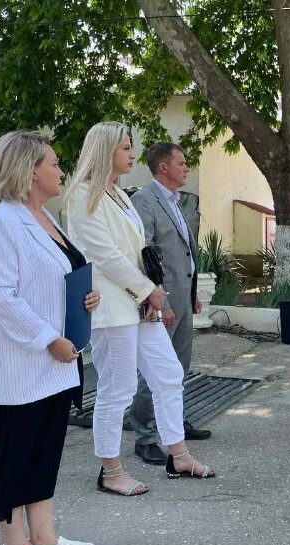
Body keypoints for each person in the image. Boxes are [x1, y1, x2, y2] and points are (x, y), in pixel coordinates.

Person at [0, 131, 100, 545]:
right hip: (20, 366)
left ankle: (44, 537)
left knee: (44, 451)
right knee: (14, 455)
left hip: (55, 366)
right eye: (54, 162)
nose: (60, 170)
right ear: (29, 171)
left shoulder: (49, 219)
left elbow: (56, 278)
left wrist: (84, 299)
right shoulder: (0, 222)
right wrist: (49, 337)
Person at [66, 122, 215, 493]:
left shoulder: (117, 193)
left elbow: (138, 253)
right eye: (126, 148)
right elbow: (105, 255)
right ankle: (111, 471)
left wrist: (149, 293)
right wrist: (149, 292)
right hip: (111, 305)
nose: (132, 155)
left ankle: (177, 454)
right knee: (118, 388)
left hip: (138, 302)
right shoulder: (83, 195)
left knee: (167, 374)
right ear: (104, 151)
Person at [129, 142, 210, 466]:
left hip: (182, 298)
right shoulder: (144, 201)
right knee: (155, 371)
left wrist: (190, 294)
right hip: (159, 301)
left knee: (178, 369)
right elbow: (144, 253)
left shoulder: (177, 201)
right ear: (163, 167)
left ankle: (174, 426)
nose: (186, 168)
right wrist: (159, 298)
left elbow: (182, 254)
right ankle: (146, 436)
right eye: (182, 162)